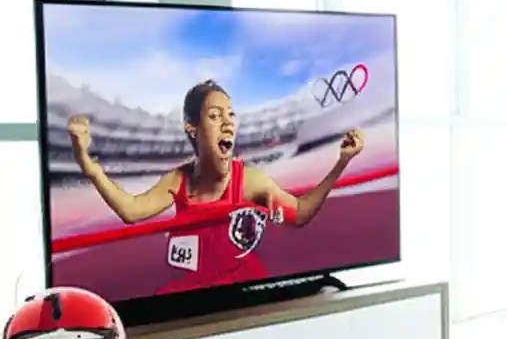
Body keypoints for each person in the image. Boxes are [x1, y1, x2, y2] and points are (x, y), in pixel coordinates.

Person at [69, 79, 364, 292]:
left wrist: (342, 163)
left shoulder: (250, 180)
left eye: (230, 115)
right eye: (215, 116)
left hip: (246, 297)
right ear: (192, 127)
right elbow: (131, 211)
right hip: (191, 303)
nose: (228, 123)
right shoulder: (178, 180)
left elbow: (300, 214)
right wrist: (86, 163)